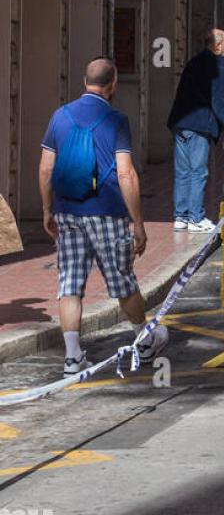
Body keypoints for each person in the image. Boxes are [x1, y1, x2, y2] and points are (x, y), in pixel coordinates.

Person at [39, 58, 167, 377]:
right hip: (107, 212)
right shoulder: (116, 120)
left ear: (85, 81)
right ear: (113, 85)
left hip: (68, 211)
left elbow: (45, 168)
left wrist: (47, 208)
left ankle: (72, 357)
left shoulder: (60, 116)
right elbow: (126, 173)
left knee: (69, 284)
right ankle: (145, 337)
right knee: (121, 280)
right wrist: (137, 221)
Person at [167, 28, 224, 232]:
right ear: (217, 46)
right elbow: (217, 100)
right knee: (198, 171)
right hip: (199, 125)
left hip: (180, 123)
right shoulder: (216, 65)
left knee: (182, 172)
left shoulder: (194, 61)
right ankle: (196, 217)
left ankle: (180, 217)